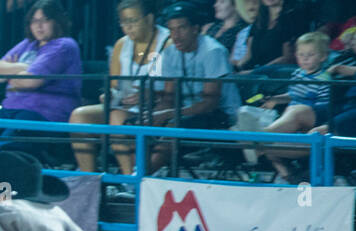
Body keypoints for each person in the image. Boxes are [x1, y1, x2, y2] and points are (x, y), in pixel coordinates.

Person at [69, 0, 168, 174]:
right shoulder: (121, 44)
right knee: (79, 117)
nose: (128, 27)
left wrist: (150, 94)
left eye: (133, 21)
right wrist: (109, 96)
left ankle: (130, 178)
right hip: (125, 105)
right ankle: (89, 179)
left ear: (149, 19)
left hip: (157, 107)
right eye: (124, 22)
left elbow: (172, 89)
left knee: (117, 117)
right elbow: (115, 85)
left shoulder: (168, 42)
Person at [0, 1, 82, 164]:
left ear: (57, 21)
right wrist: (26, 68)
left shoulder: (64, 45)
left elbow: (31, 82)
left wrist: (12, 73)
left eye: (45, 20)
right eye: (34, 21)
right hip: (10, 108)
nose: (39, 26)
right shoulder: (28, 43)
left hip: (42, 113)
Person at [146, 2, 240, 171]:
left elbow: (210, 104)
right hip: (185, 113)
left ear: (195, 28)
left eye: (181, 28)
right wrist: (154, 115)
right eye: (171, 30)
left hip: (221, 117)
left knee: (172, 129)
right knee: (140, 124)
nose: (176, 36)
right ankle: (133, 175)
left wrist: (168, 114)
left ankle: (136, 182)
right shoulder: (169, 53)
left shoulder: (213, 51)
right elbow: (168, 98)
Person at [253, 32, 341, 180]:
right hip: (291, 116)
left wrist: (303, 122)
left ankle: (257, 136)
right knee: (267, 149)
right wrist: (275, 99)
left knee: (267, 139)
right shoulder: (297, 74)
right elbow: (293, 94)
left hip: (308, 118)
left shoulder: (324, 78)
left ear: (323, 57)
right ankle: (286, 172)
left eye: (310, 54)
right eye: (301, 54)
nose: (304, 58)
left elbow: (323, 107)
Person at [236, 0, 309, 73]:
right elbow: (248, 55)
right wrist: (237, 67)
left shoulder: (292, 19)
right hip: (255, 73)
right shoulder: (259, 21)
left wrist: (256, 71)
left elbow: (287, 58)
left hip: (278, 75)